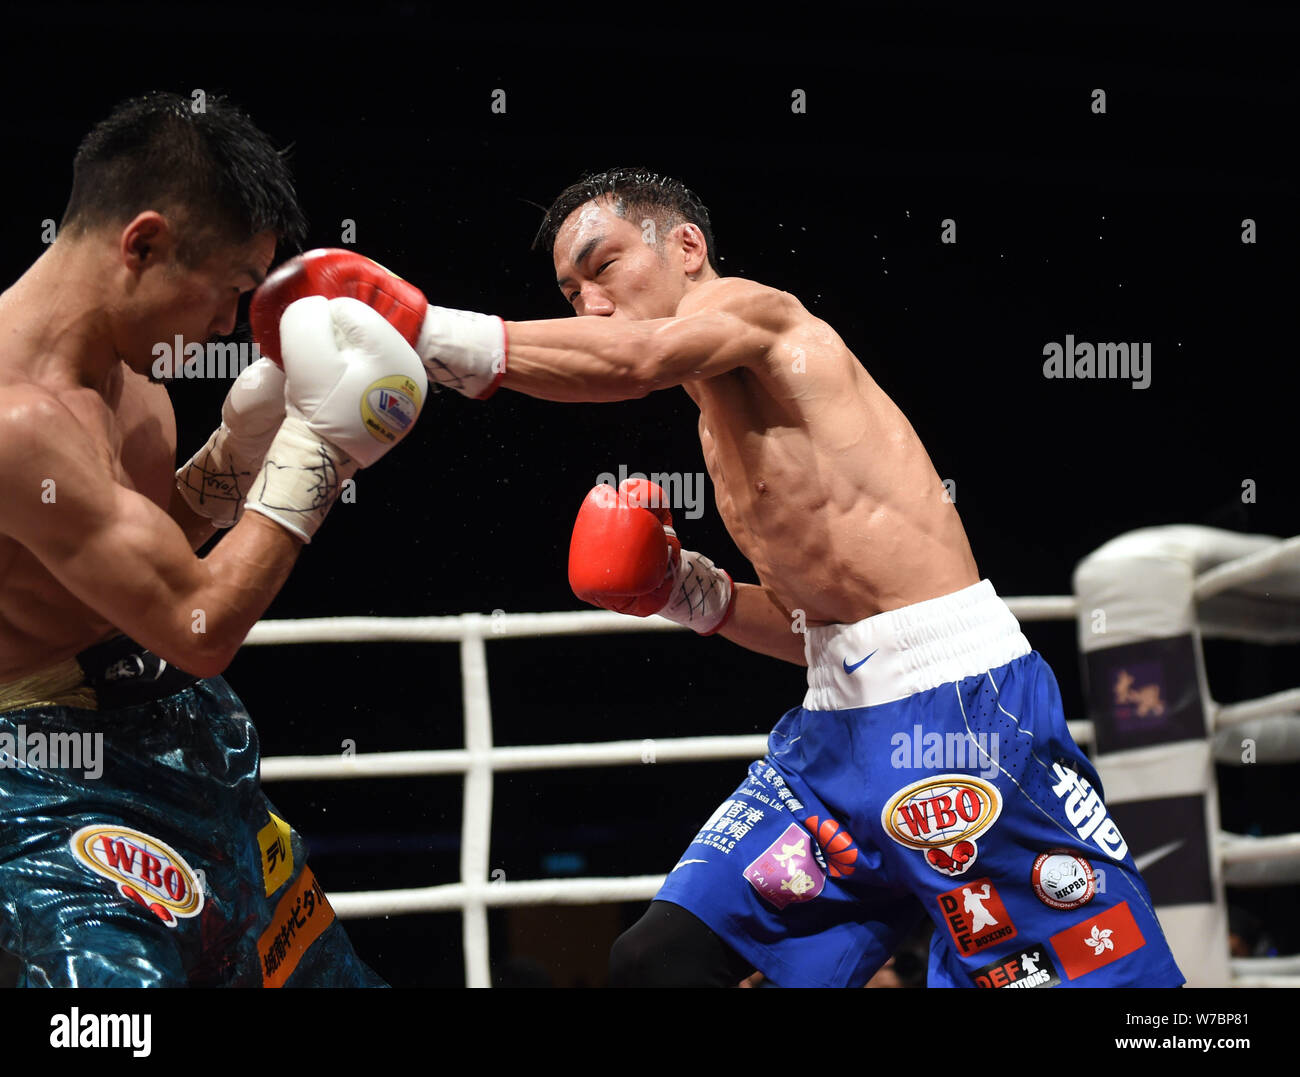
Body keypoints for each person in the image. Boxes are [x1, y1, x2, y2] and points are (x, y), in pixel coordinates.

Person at [405, 166, 1184, 988]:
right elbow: (817, 625)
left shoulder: (758, 312)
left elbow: (634, 358)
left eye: (602, 268)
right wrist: (689, 594)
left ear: (688, 246)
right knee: (661, 958)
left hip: (961, 713)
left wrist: (425, 331)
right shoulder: (715, 428)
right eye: (570, 293)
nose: (589, 305)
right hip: (833, 737)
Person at [0, 93, 427, 986]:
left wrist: (239, 452)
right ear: (143, 243)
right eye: (234, 288)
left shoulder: (131, 382)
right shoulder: (14, 421)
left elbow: (145, 551)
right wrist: (321, 447)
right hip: (42, 776)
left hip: (186, 743)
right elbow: (197, 622)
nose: (233, 327)